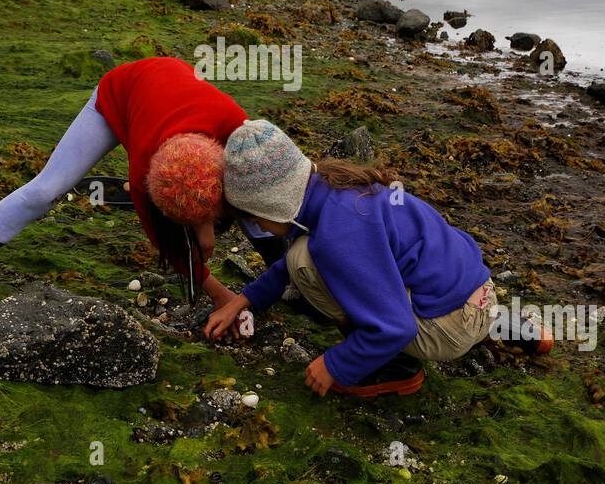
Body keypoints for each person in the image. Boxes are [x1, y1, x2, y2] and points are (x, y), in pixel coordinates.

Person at [0, 57, 249, 321]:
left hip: (178, 98)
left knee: (247, 191)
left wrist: (206, 229)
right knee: (44, 192)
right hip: (122, 92)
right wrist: (219, 294)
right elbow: (162, 237)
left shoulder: (237, 126)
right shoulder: (145, 166)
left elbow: (274, 185)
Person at [205, 119, 524, 398]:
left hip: (449, 326)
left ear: (272, 207)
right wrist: (243, 300)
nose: (257, 227)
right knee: (302, 252)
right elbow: (285, 261)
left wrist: (336, 365)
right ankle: (499, 324)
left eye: (255, 219)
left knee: (304, 262)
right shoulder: (337, 186)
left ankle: (394, 368)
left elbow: (397, 327)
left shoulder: (337, 236)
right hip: (478, 291)